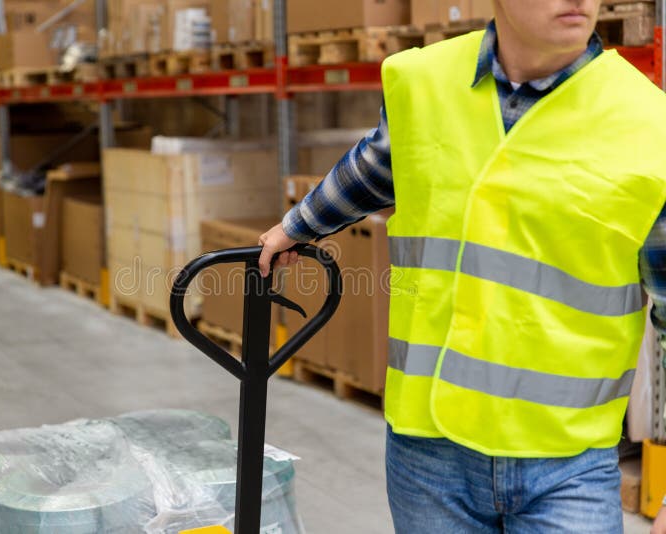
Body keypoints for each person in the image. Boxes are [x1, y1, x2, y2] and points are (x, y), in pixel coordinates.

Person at [258, 1, 666, 532]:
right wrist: (299, 225)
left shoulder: (648, 124)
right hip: (428, 457)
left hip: (567, 463)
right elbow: (382, 163)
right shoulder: (422, 82)